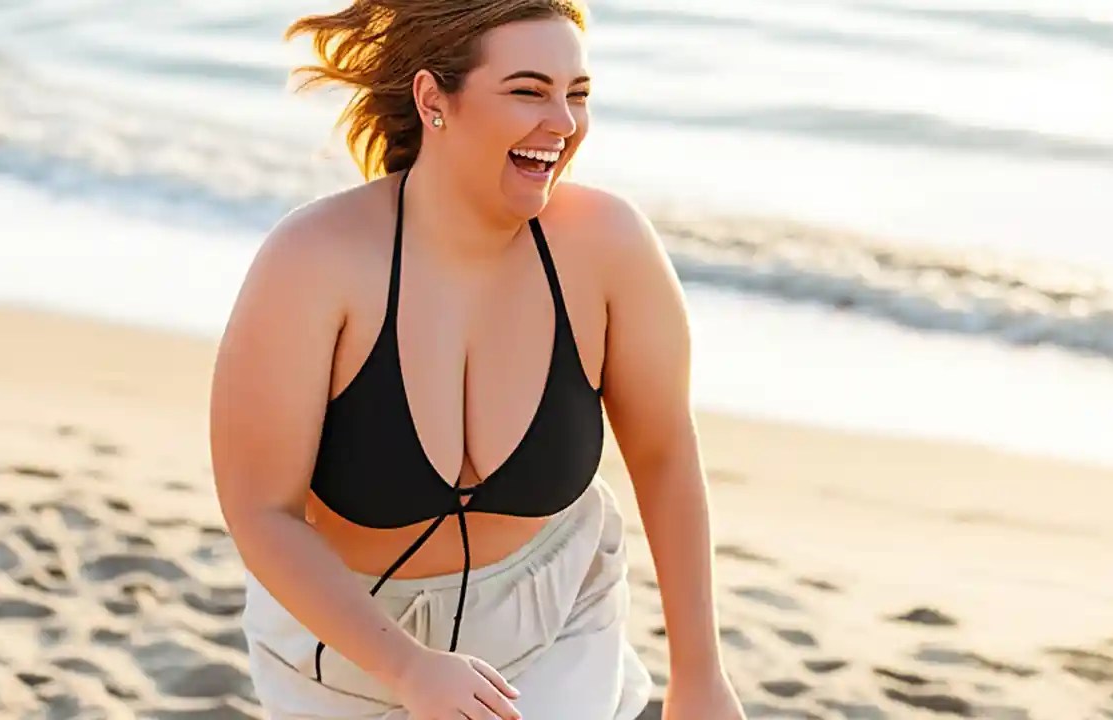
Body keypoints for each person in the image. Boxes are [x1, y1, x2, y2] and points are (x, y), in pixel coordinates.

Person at [209, 0, 748, 718]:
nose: (563, 123)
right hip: (344, 646)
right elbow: (261, 513)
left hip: (553, 622)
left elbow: (665, 454)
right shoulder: (315, 261)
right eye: (529, 91)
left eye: (577, 95)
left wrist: (700, 674)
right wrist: (409, 669)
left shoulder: (608, 247)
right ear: (434, 99)